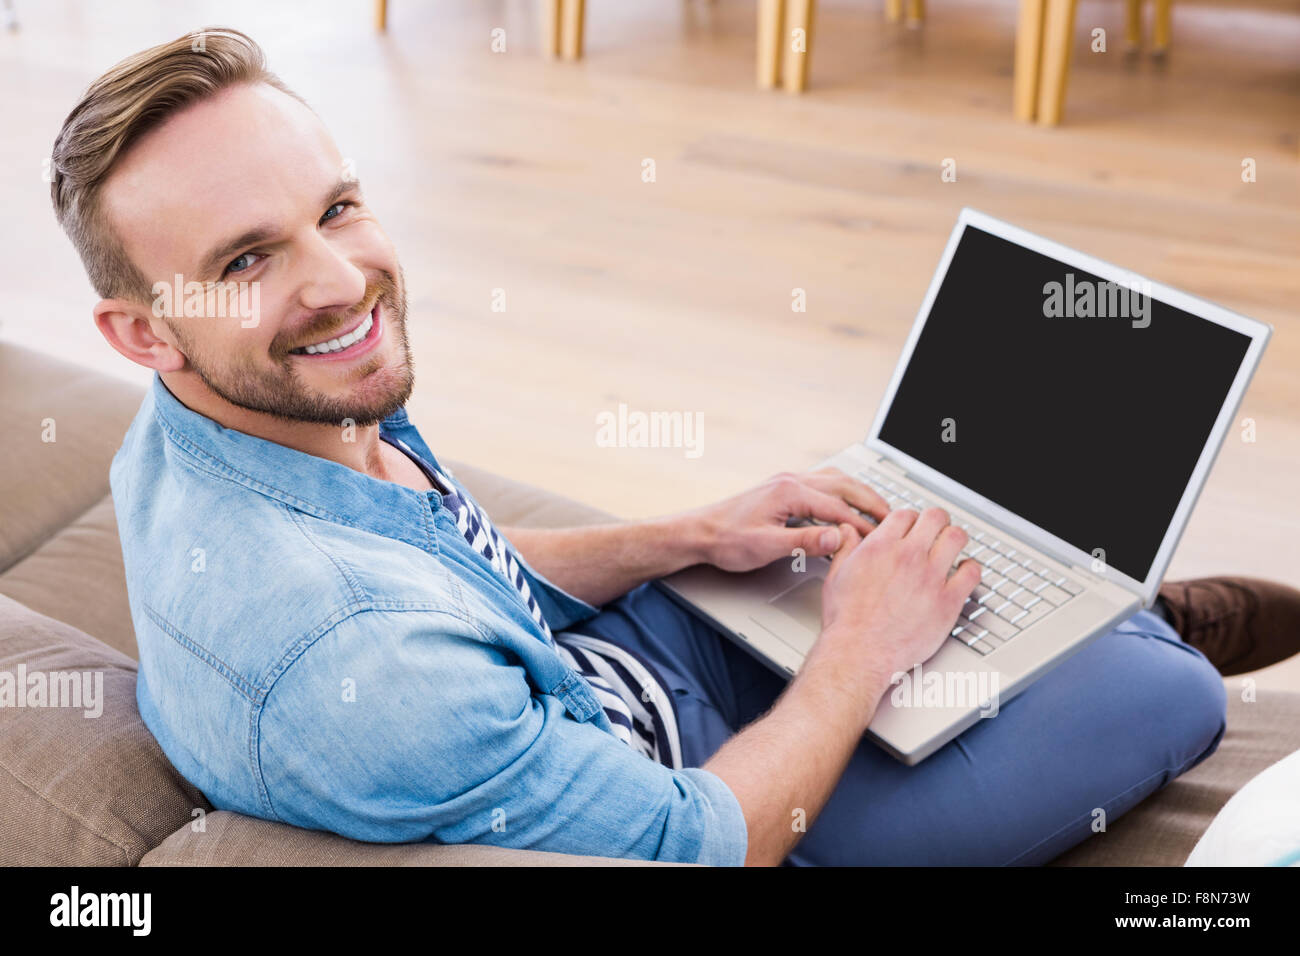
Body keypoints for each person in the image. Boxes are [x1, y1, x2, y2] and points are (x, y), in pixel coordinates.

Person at [47, 28, 1300, 865]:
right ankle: (1148, 628)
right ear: (140, 332)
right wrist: (858, 651)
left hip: (598, 671)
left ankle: (1069, 612)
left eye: (336, 208)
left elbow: (451, 568)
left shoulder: (245, 414)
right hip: (728, 798)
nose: (343, 283)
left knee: (854, 539)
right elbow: (704, 840)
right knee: (1172, 693)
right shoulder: (355, 661)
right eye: (248, 259)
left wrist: (694, 533)